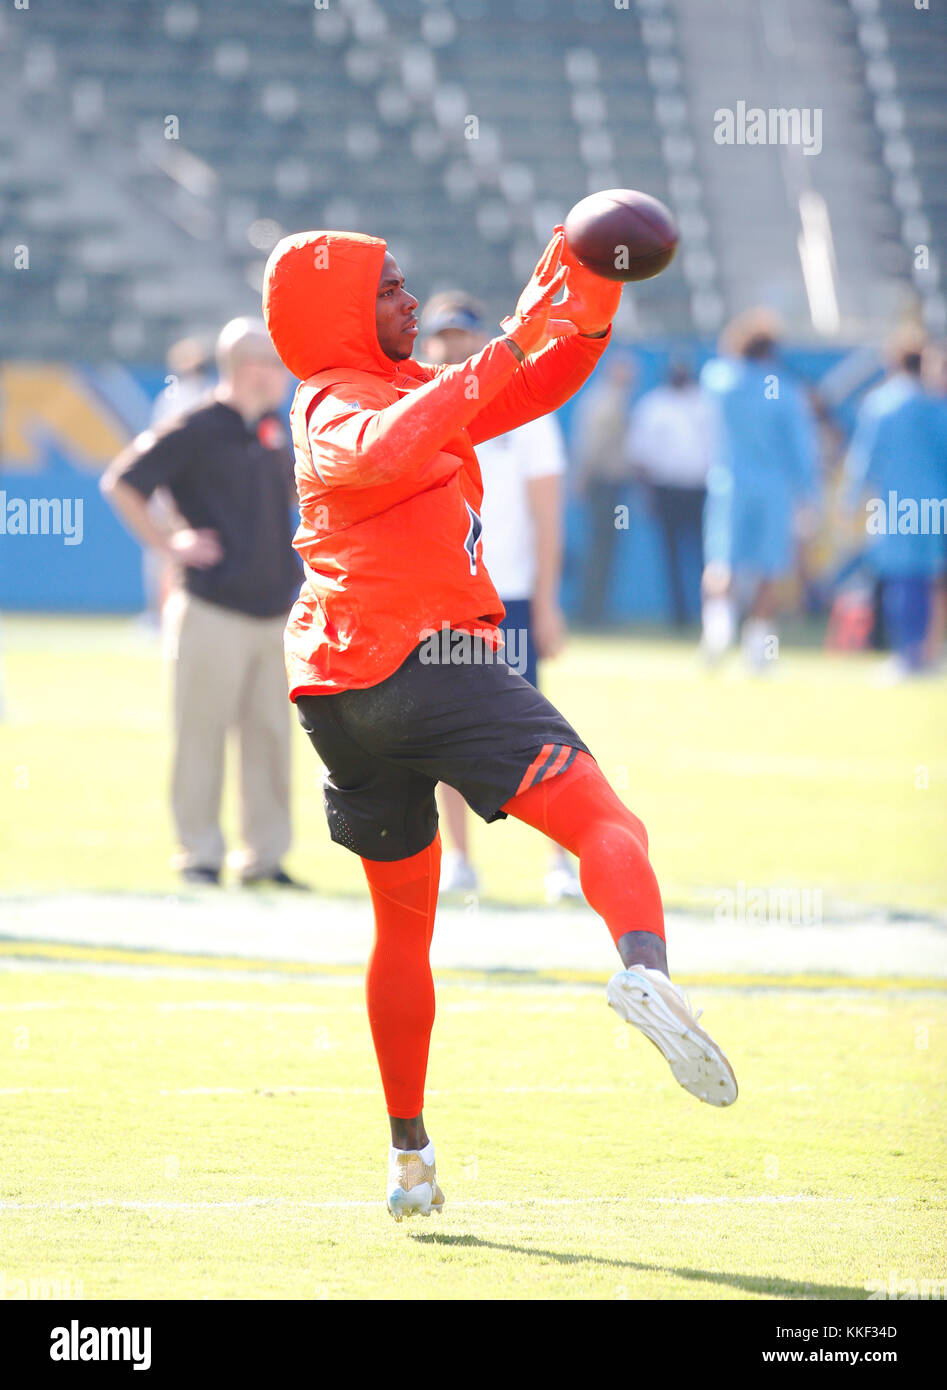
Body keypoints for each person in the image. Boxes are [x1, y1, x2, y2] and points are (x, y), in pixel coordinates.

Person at [262, 226, 738, 1221]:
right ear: (343, 313)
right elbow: (394, 443)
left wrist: (591, 287)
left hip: (340, 695)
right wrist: (510, 343)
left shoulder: (398, 387)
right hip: (423, 657)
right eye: (389, 291)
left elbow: (537, 384)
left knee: (402, 928)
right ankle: (644, 972)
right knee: (607, 823)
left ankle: (408, 1158)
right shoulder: (331, 400)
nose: (407, 304)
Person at [100, 317, 304, 888]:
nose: (283, 372)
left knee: (270, 739)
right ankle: (199, 853)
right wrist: (169, 543)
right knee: (201, 736)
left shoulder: (271, 428)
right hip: (212, 607)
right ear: (246, 367)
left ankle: (264, 856)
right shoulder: (195, 426)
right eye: (273, 361)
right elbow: (122, 481)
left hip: (272, 609)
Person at [418, 291, 581, 903]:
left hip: (507, 594)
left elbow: (547, 515)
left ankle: (557, 862)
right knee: (445, 732)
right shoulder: (417, 408)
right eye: (441, 337)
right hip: (443, 600)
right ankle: (460, 858)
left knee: (533, 732)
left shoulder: (524, 410)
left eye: (462, 335)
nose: (452, 347)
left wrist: (547, 601)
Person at [699, 309, 820, 669]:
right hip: (774, 490)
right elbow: (802, 449)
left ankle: (716, 638)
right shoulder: (784, 390)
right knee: (769, 568)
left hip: (730, 485)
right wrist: (809, 496)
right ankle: (759, 652)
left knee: (722, 561)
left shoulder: (721, 380)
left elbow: (715, 373)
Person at [843, 327, 947, 677]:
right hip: (935, 507)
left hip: (896, 506)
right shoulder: (936, 404)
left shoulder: (881, 404)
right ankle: (928, 654)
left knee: (902, 581)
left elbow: (865, 458)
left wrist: (852, 499)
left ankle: (908, 657)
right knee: (930, 579)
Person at [627, 359, 712, 628]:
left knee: (705, 554)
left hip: (700, 487)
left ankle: (710, 614)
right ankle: (679, 615)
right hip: (667, 487)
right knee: (671, 554)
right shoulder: (654, 405)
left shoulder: (704, 403)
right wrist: (647, 493)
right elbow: (640, 454)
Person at [572, 355, 635, 627]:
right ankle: (592, 610)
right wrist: (584, 478)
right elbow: (594, 446)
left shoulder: (603, 398)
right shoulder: (609, 401)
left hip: (606, 482)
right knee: (601, 549)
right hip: (604, 482)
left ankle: (594, 608)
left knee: (602, 549)